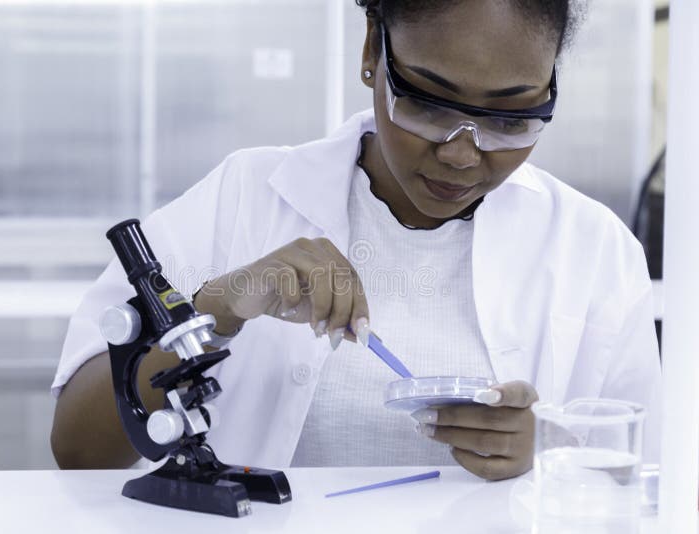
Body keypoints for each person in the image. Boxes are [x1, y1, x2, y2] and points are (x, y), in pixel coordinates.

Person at [50, 0, 661, 481]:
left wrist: (549, 450)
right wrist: (220, 304)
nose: (461, 154)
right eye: (427, 104)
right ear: (374, 48)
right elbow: (78, 449)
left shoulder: (595, 249)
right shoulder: (244, 197)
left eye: (510, 119)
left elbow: (651, 480)